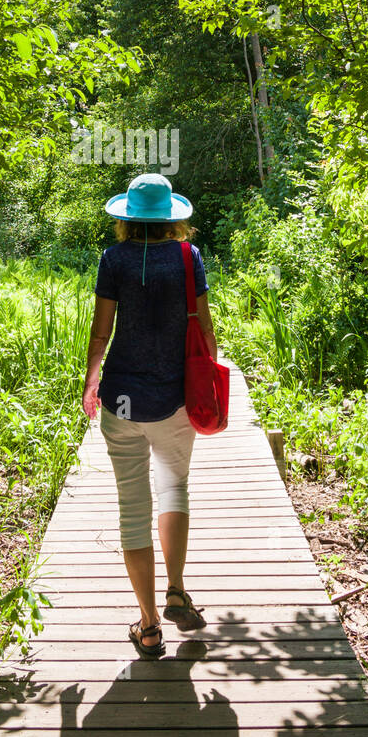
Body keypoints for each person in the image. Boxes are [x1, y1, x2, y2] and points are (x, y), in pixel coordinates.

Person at [81, 173, 219, 658]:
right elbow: (202, 324)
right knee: (174, 488)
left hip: (121, 399)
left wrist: (91, 379)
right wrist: (210, 380)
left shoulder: (113, 259)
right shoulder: (188, 257)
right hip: (175, 397)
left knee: (131, 509)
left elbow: (102, 330)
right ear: (170, 219)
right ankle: (177, 590)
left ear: (126, 220)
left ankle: (149, 625)